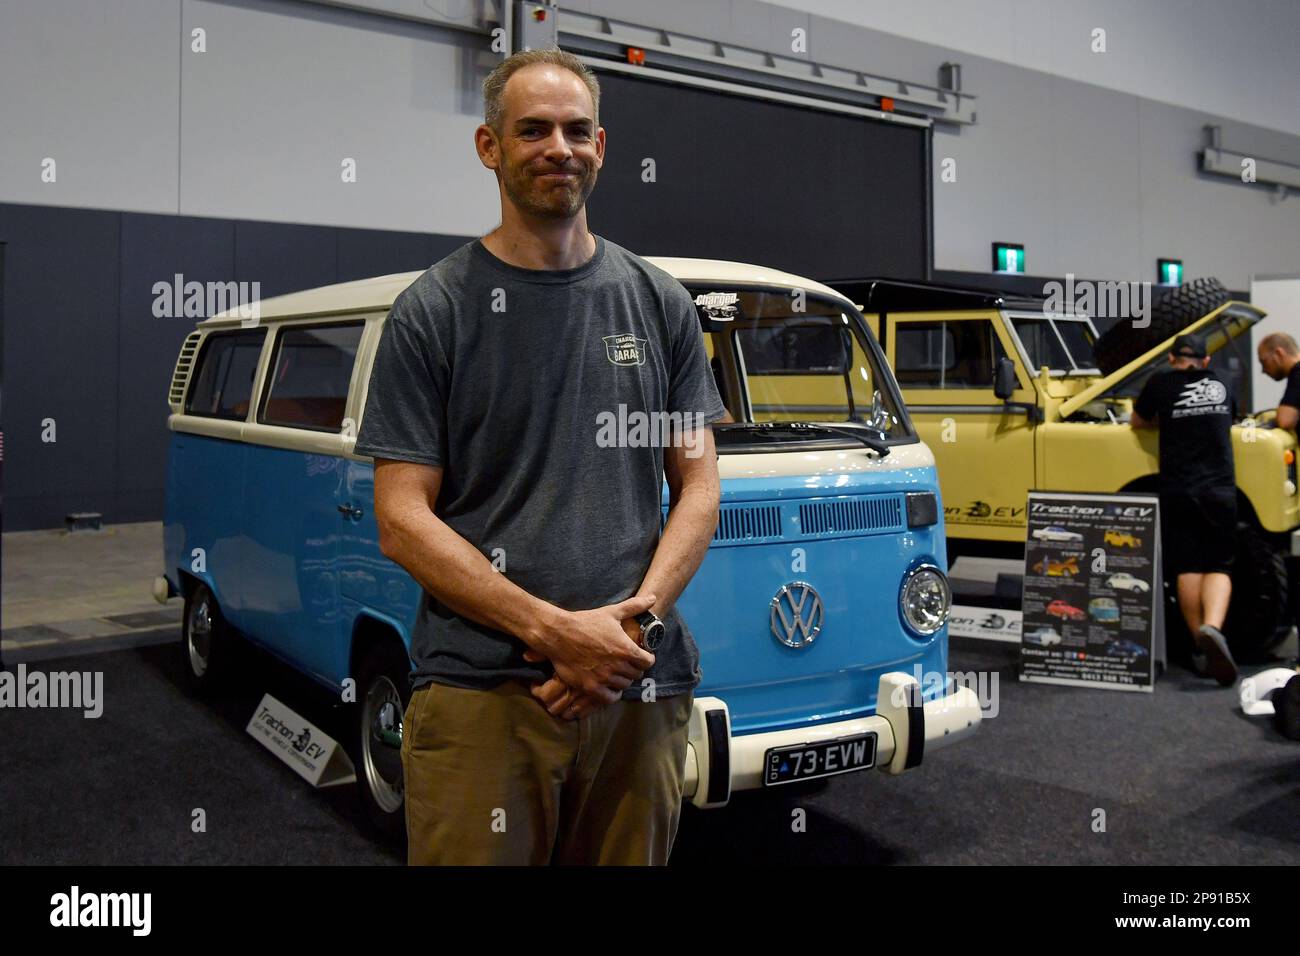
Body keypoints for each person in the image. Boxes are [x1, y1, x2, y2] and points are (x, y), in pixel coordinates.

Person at [351, 48, 727, 865]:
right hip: (484, 695)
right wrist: (555, 633)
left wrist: (634, 624)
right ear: (490, 147)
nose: (558, 147)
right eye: (533, 130)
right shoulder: (434, 313)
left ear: (601, 147)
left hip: (637, 686)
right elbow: (401, 518)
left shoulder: (658, 301)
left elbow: (698, 486)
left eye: (576, 130)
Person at [1131, 332, 1238, 686]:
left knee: (1188, 566)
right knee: (1219, 564)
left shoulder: (1161, 383)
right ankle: (1214, 627)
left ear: (1174, 358)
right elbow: (1232, 419)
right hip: (1220, 489)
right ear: (1206, 361)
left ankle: (1199, 646)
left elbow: (1138, 420)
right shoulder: (1223, 381)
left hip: (1178, 489)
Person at [1256, 331, 1300, 432]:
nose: (1263, 370)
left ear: (1278, 354)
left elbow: (1285, 420)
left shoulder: (1298, 373)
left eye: (1264, 362)